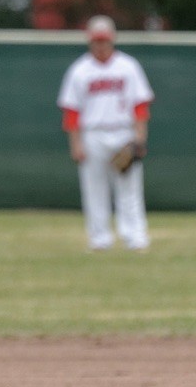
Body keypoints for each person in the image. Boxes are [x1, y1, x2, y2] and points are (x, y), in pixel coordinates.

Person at [57, 16, 155, 251]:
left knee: (129, 189)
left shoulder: (128, 67)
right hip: (93, 135)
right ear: (90, 41)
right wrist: (76, 143)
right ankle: (100, 239)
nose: (100, 45)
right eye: (96, 41)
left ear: (112, 40)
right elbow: (71, 111)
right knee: (94, 190)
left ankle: (135, 237)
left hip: (123, 131)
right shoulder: (79, 70)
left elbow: (140, 106)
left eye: (104, 40)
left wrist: (139, 138)